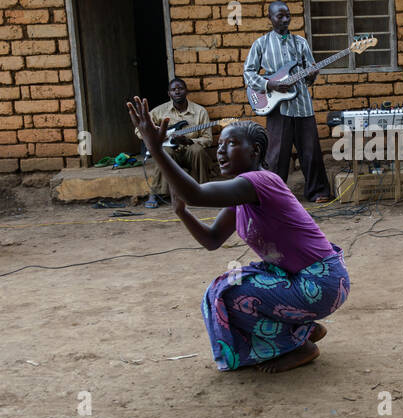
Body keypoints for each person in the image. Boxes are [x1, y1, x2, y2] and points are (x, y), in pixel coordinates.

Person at [128, 100, 350, 373]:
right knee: (225, 286)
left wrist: (155, 147)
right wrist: (181, 213)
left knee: (230, 296)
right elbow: (212, 240)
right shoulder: (241, 196)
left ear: (254, 150)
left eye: (230, 144)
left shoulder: (261, 181)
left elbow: (195, 193)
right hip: (301, 281)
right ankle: (303, 328)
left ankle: (299, 345)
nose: (220, 150)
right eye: (219, 145)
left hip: (320, 282)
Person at [242, 1, 333, 203]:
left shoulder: (300, 42)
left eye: (288, 15)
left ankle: (317, 191)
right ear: (270, 18)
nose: (285, 20)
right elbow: (248, 73)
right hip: (278, 107)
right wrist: (270, 85)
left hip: (302, 105)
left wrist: (312, 74)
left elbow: (309, 75)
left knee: (310, 151)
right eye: (279, 16)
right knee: (276, 155)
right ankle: (273, 194)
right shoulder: (261, 44)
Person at [140, 77, 215, 208]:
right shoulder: (160, 111)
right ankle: (157, 194)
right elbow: (140, 128)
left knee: (197, 150)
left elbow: (208, 139)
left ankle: (201, 191)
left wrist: (189, 140)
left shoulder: (200, 111)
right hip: (170, 151)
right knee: (163, 153)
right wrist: (156, 136)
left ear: (186, 91)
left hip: (190, 153)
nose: (177, 92)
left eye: (180, 89)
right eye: (173, 90)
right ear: (169, 93)